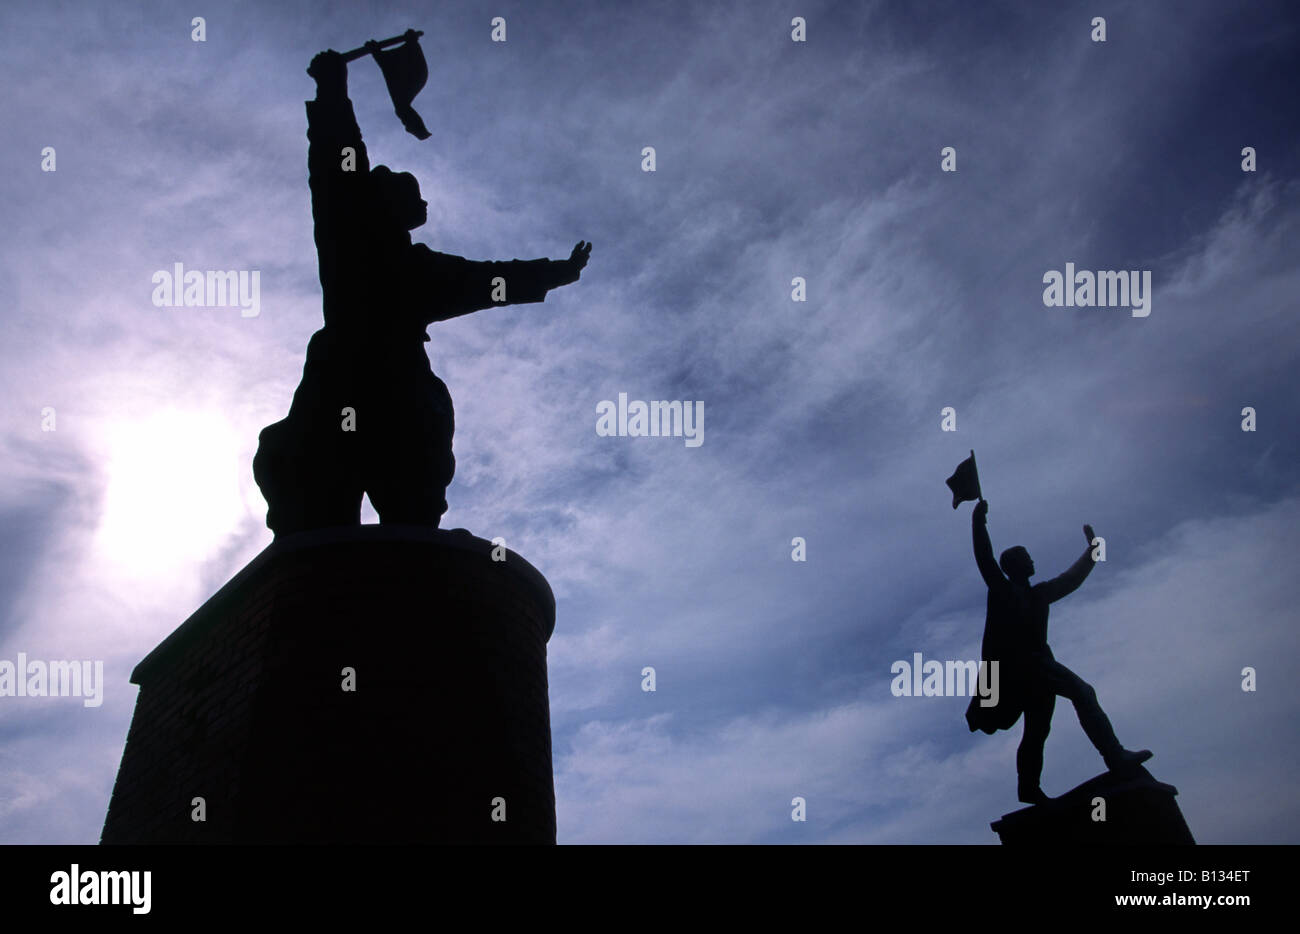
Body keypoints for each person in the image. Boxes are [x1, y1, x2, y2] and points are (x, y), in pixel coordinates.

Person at [254, 49, 591, 534]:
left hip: (387, 397)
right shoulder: (351, 240)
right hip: (352, 392)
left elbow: (491, 279)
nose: (419, 200)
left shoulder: (412, 266)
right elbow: (336, 160)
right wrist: (332, 91)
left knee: (401, 501)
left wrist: (557, 272)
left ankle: (408, 551)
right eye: (404, 192)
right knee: (323, 506)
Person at [965, 498, 1151, 804]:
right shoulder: (1002, 589)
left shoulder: (1040, 594)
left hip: (1038, 668)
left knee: (1038, 730)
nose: (1032, 560)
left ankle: (1028, 788)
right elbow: (984, 558)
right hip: (1022, 668)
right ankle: (1115, 756)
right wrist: (978, 523)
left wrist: (1092, 553)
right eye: (1026, 556)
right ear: (1013, 566)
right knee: (1082, 691)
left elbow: (1071, 579)